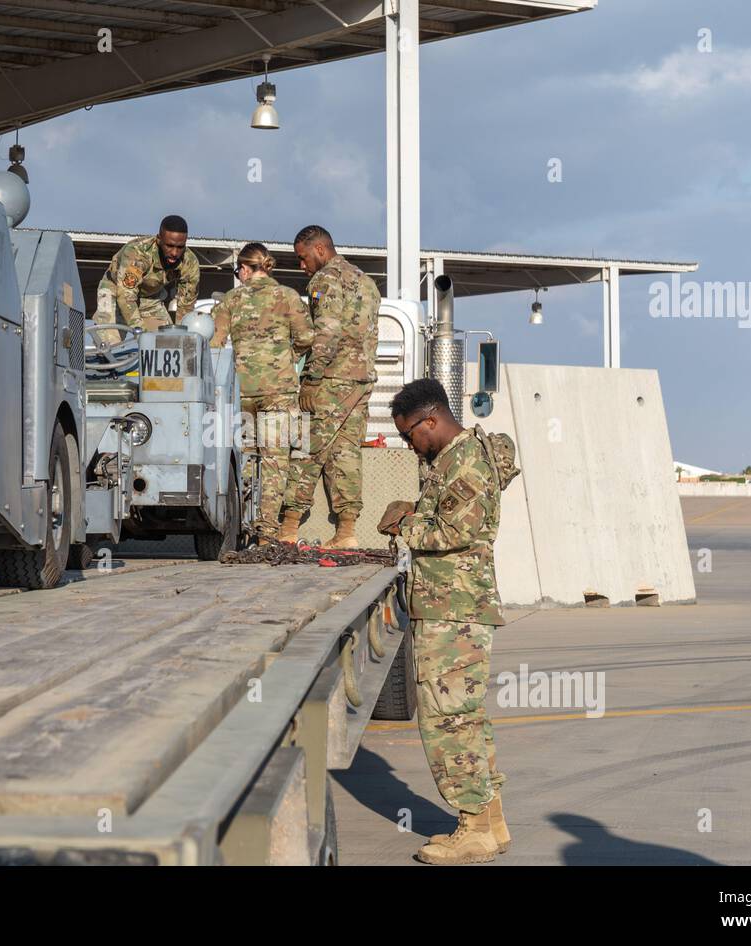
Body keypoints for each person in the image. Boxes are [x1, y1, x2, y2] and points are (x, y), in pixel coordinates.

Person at [378, 378, 519, 865]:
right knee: (466, 721)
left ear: (431, 420)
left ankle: (474, 828)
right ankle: (488, 822)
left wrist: (404, 523)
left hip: (453, 613)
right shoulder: (449, 459)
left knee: (448, 723)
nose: (407, 445)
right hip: (452, 608)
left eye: (408, 435)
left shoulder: (465, 459)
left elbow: (459, 529)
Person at [279, 224, 379, 548]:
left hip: (332, 379)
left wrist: (310, 379)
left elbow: (326, 334)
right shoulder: (366, 282)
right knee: (345, 452)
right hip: (361, 380)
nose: (301, 266)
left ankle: (289, 527)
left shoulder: (324, 280)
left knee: (308, 447)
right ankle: (347, 532)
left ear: (320, 250)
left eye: (303, 257)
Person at [210, 243, 314, 544]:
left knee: (241, 460)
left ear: (244, 269)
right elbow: (307, 336)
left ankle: (238, 526)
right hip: (279, 389)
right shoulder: (288, 297)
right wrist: (287, 358)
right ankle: (267, 533)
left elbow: (215, 344)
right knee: (274, 462)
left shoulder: (231, 300)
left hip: (242, 390)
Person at [92, 215, 199, 339]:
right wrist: (141, 333)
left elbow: (186, 305)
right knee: (109, 347)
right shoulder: (137, 253)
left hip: (150, 298)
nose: (174, 253)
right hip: (116, 293)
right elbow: (125, 296)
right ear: (159, 240)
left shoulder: (189, 262)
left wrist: (183, 337)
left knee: (167, 342)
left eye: (180, 247)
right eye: (169, 246)